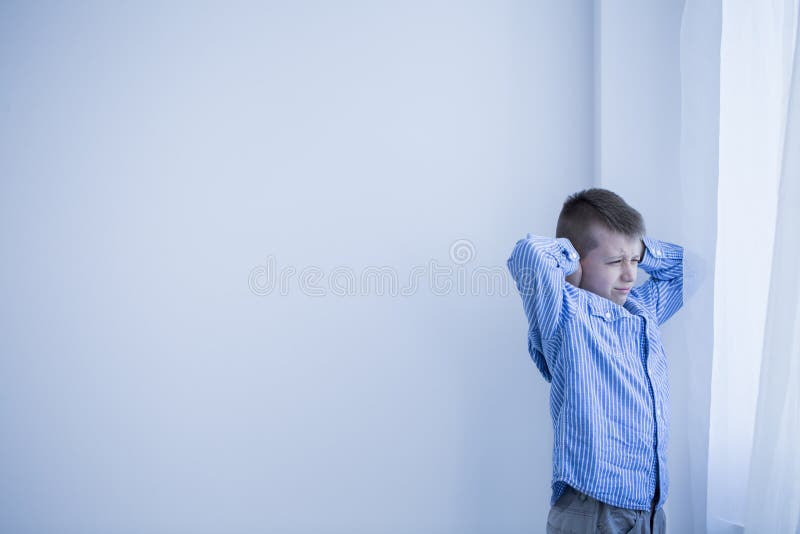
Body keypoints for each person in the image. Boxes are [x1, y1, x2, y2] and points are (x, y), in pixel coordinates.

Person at [506, 188, 683, 533]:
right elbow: (527, 254)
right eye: (616, 262)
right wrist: (569, 258)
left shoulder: (641, 310)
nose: (630, 275)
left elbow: (686, 270)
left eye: (634, 261)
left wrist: (638, 248)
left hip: (649, 508)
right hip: (596, 508)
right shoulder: (565, 313)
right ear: (578, 259)